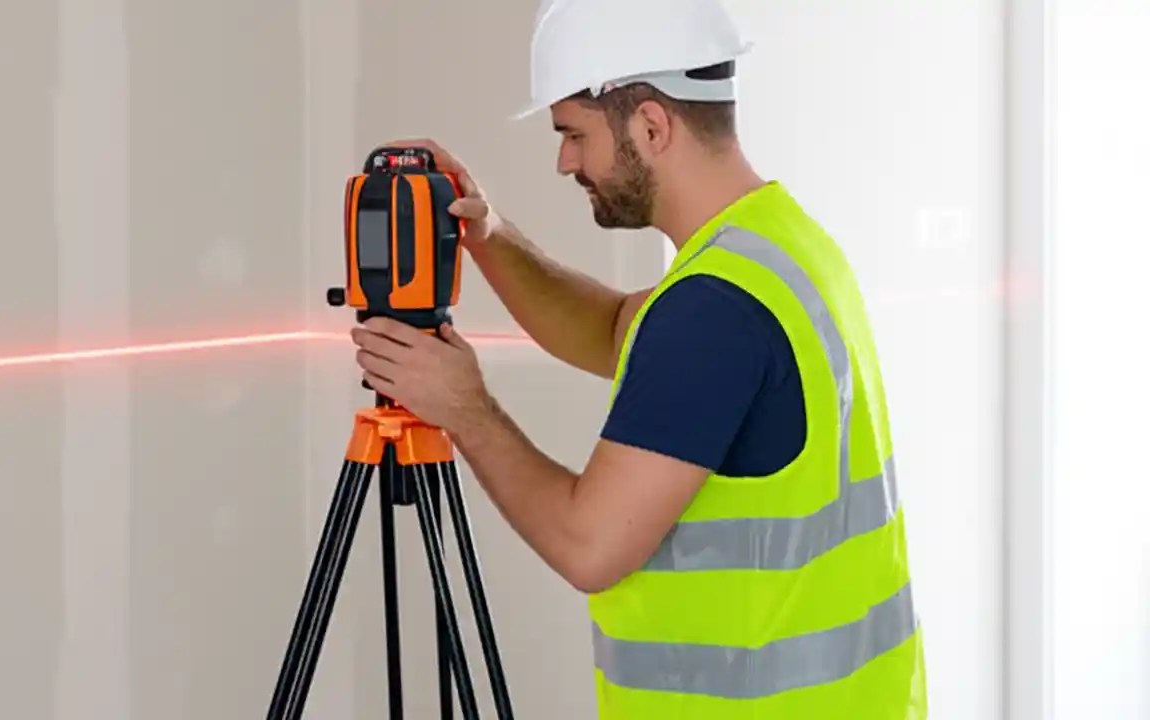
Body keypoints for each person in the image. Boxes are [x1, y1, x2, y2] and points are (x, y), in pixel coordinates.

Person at [350, 0, 928, 717]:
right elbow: (614, 330)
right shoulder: (777, 249)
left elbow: (587, 545)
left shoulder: (713, 310)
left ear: (652, 125)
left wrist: (465, 410)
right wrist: (487, 234)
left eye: (574, 134)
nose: (565, 161)